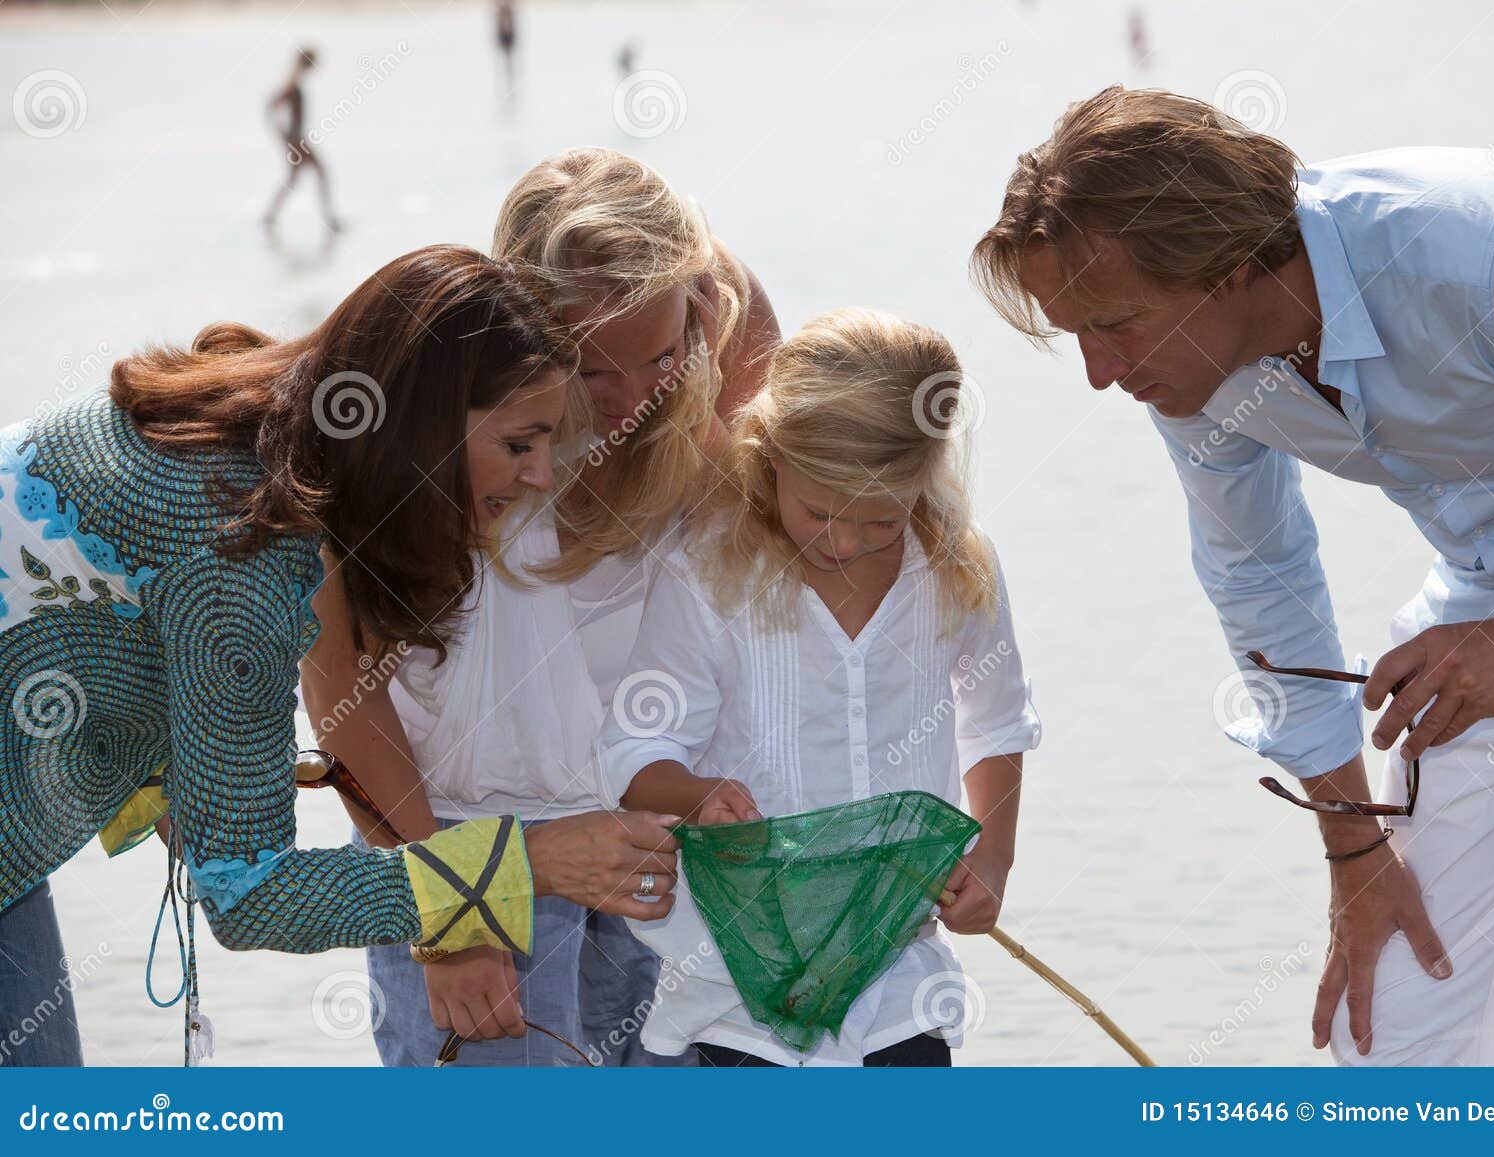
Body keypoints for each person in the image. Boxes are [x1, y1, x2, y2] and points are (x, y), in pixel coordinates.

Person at [973, 85, 1494, 1064]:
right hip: (1490, 620)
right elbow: (1260, 577)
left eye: (1115, 323)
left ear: (1225, 270)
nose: (1098, 372)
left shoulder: (1490, 244)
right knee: (1389, 1043)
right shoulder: (1184, 373)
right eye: (1076, 333)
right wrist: (1352, 845)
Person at [0, 245, 680, 1066]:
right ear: (423, 423)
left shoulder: (249, 423)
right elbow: (249, 896)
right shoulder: (243, 548)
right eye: (521, 442)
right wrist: (530, 858)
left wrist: (198, 765)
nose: (541, 475)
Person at [303, 147, 779, 1062]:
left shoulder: (699, 403)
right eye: (593, 371)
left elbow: (784, 560)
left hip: (659, 868)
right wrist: (450, 912)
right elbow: (338, 694)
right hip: (462, 847)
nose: (631, 401)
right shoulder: (433, 436)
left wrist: (706, 388)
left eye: (659, 357)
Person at [597, 308, 1041, 1066]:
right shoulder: (707, 573)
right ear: (770, 458)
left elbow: (996, 724)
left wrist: (993, 857)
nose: (843, 542)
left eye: (878, 521)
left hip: (902, 986)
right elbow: (634, 751)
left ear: (925, 479)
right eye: (819, 513)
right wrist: (694, 793)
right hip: (742, 1001)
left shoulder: (958, 571)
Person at [264, 46, 340, 234]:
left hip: (296, 137)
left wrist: (282, 133)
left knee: (295, 178)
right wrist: (283, 133)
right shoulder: (293, 83)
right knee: (319, 173)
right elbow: (273, 105)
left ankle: (270, 215)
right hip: (296, 138)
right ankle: (330, 220)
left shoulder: (293, 80)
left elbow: (273, 106)